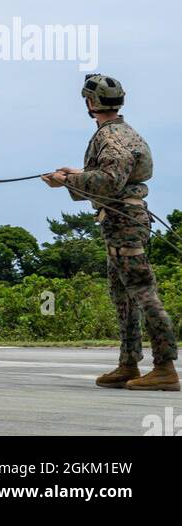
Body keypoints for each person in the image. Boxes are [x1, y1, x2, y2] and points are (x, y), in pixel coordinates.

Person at [42, 74, 179, 391]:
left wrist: (66, 181)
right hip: (123, 219)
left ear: (91, 103)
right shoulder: (126, 133)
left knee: (142, 292)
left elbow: (110, 181)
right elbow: (117, 174)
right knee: (122, 295)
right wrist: (78, 173)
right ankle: (128, 363)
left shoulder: (110, 138)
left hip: (123, 222)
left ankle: (165, 367)